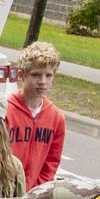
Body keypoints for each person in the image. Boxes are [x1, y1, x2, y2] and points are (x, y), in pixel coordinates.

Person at [5, 42, 65, 188]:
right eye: (36, 75)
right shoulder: (6, 110)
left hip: (34, 195)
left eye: (48, 75)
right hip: (4, 190)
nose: (43, 82)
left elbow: (51, 162)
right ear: (21, 75)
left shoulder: (56, 118)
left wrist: (37, 190)